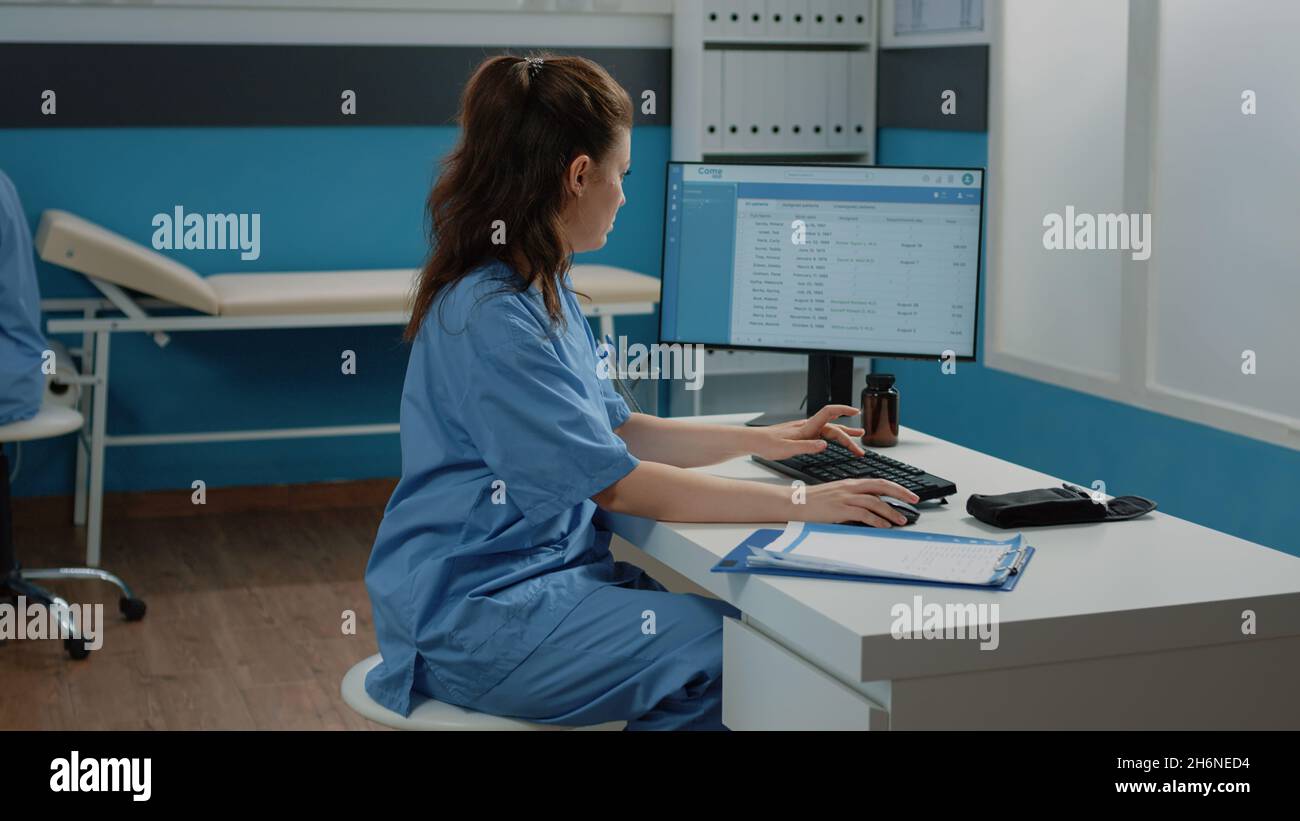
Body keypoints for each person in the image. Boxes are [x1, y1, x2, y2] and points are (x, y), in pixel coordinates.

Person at [364, 53, 918, 731]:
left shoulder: (541, 281)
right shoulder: (494, 317)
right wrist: (803, 502)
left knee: (740, 634)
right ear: (577, 175)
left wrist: (772, 438)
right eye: (620, 174)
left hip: (542, 584)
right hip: (476, 616)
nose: (624, 195)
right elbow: (617, 484)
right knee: (733, 652)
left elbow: (617, 431)